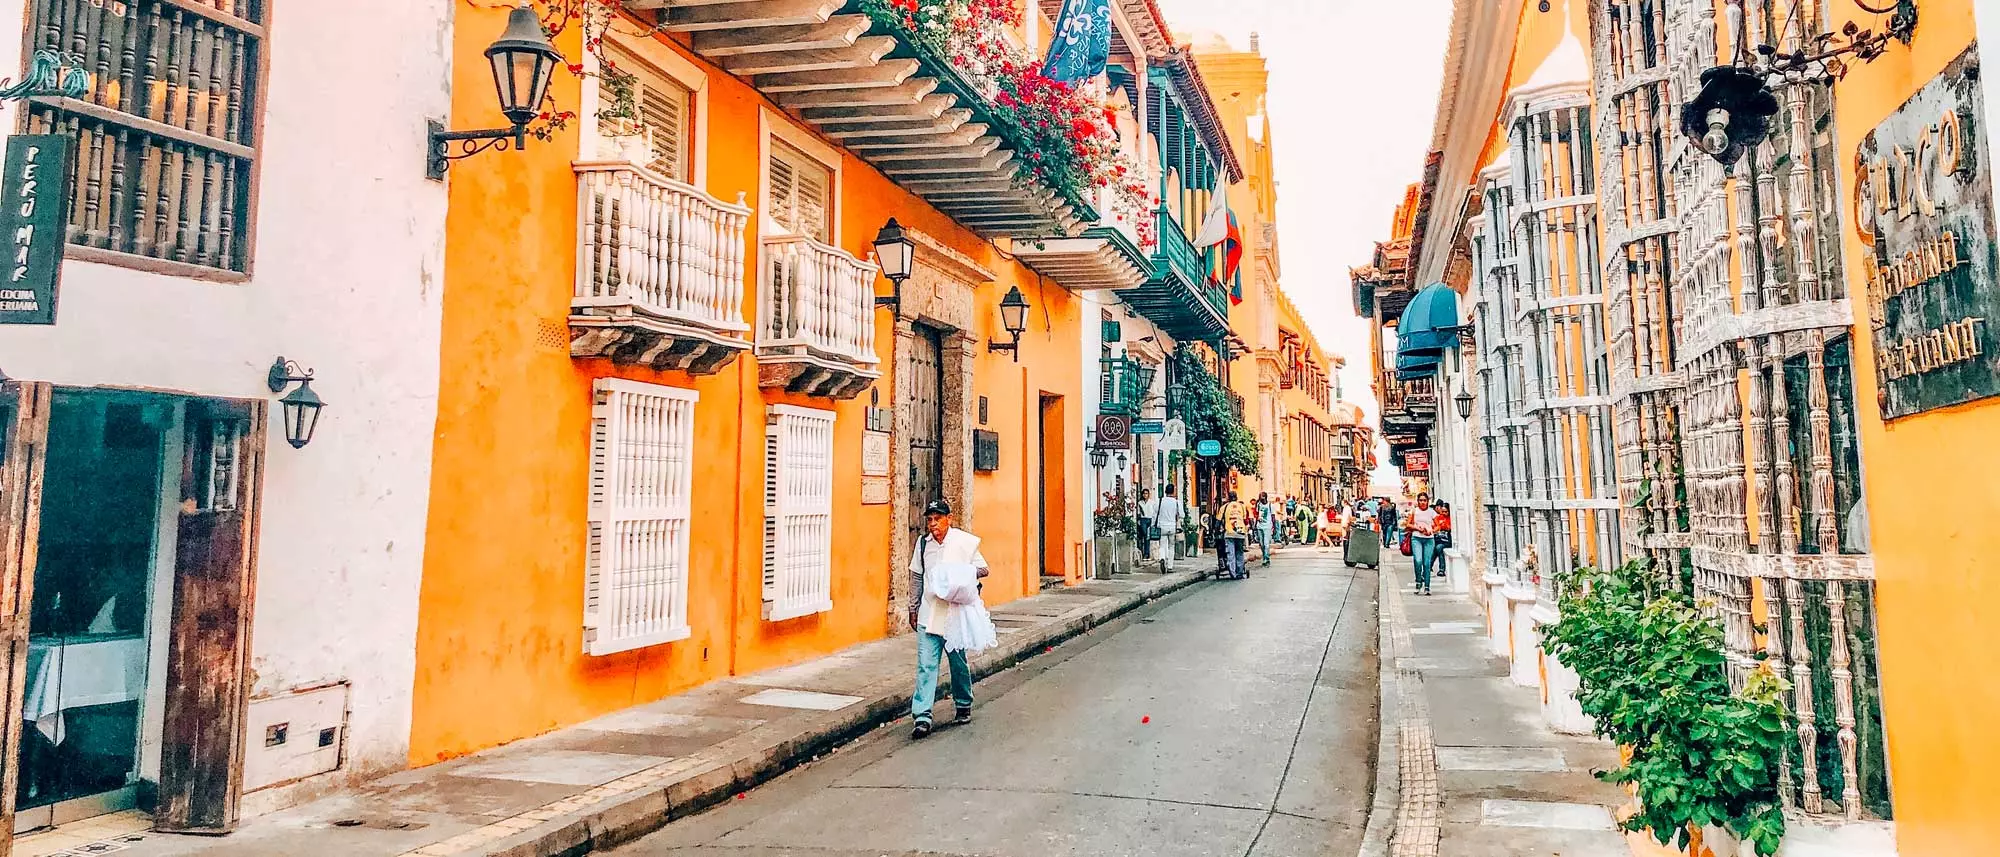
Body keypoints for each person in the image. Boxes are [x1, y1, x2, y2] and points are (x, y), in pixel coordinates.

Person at [907, 499, 989, 737]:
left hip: (953, 612)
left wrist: (957, 575)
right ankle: (922, 716)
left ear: (949, 519)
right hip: (929, 611)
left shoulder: (962, 542)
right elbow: (916, 577)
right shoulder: (923, 545)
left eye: (938, 519)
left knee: (957, 662)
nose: (933, 525)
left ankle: (963, 703)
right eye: (930, 520)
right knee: (926, 664)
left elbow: (984, 569)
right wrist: (912, 608)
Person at [1407, 493, 1438, 596]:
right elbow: (1408, 524)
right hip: (1416, 538)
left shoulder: (1432, 512)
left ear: (1427, 501)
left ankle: (1427, 586)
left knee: (1427, 563)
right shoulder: (1414, 511)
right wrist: (1418, 528)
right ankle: (1418, 581)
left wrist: (1432, 531)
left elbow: (1438, 526)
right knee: (1418, 560)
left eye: (1424, 500)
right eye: (1420, 500)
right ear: (1418, 501)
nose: (1423, 502)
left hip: (1429, 539)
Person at [1220, 491, 1251, 579]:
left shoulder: (1224, 507)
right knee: (1240, 553)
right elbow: (1245, 520)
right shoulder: (1242, 506)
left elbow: (1218, 521)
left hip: (1229, 533)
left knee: (1231, 553)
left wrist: (1216, 531)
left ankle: (1232, 573)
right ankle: (1239, 573)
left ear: (1228, 497)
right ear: (1236, 497)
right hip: (1240, 533)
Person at [1155, 483, 1183, 571]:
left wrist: (1153, 524)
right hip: (1172, 526)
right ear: (1173, 492)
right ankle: (1170, 566)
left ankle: (1162, 558)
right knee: (1171, 546)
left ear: (1165, 491)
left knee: (1162, 545)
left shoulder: (1160, 501)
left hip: (1162, 526)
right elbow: (1182, 515)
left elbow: (1155, 514)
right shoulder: (1176, 502)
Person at [1431, 501, 1454, 588]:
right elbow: (1435, 527)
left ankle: (1441, 569)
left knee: (1439, 548)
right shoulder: (1438, 517)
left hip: (1447, 540)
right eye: (1443, 511)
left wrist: (1443, 526)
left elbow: (1449, 527)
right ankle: (1430, 567)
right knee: (1435, 548)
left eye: (1446, 512)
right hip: (1438, 539)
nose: (1444, 513)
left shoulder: (1451, 518)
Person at [1254, 492, 1275, 566]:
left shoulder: (1270, 505)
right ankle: (1264, 557)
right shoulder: (1258, 505)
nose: (1261, 500)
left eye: (1262, 498)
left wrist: (1273, 526)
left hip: (1267, 526)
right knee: (1262, 544)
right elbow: (1256, 514)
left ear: (1265, 497)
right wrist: (1255, 523)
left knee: (1266, 544)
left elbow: (1273, 516)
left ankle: (1266, 559)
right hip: (1260, 526)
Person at [1135, 487, 1156, 561]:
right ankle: (1145, 553)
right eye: (1144, 493)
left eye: (1146, 493)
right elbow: (1138, 513)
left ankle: (1147, 554)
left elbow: (1154, 512)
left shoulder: (1152, 502)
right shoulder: (1140, 503)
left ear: (1148, 494)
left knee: (1148, 536)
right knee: (1145, 535)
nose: (1145, 495)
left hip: (1150, 519)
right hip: (1143, 519)